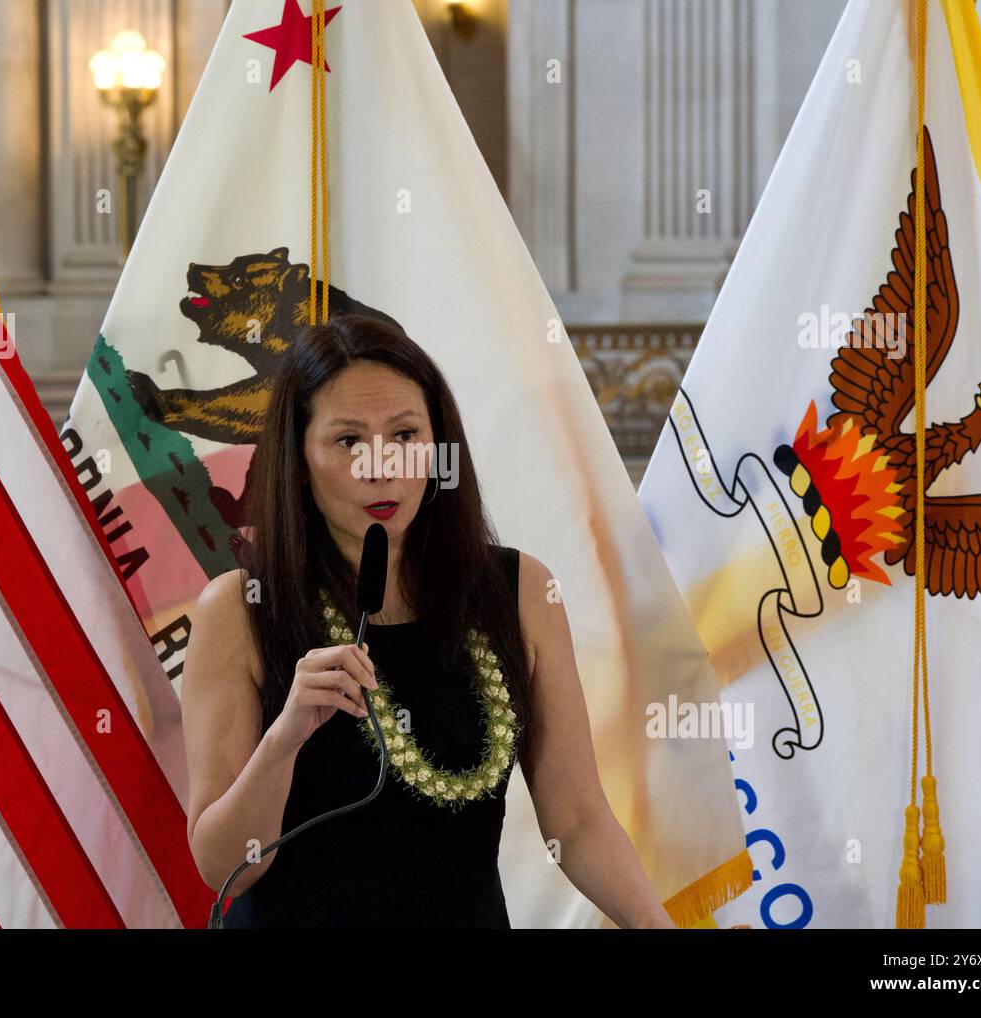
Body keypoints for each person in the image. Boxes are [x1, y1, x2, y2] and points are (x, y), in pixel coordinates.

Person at [182, 312, 676, 929]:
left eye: (405, 435)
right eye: (348, 441)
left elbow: (576, 822)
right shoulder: (240, 608)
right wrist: (284, 738)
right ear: (299, 461)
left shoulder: (522, 590)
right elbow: (223, 866)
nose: (381, 465)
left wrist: (656, 925)